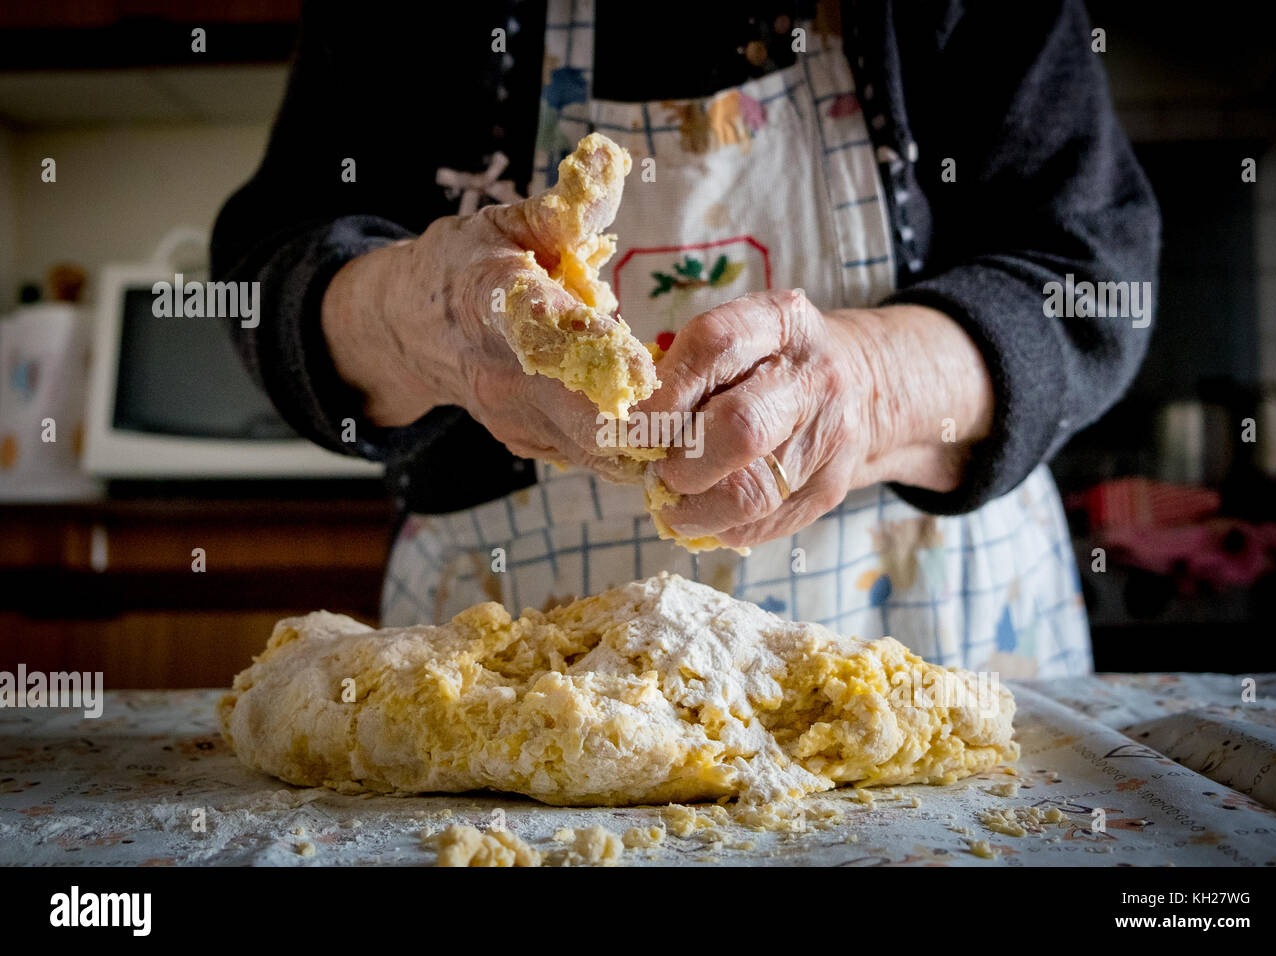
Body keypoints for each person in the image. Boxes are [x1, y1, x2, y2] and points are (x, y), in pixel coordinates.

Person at [211, 0, 1159, 677]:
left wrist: (869, 382)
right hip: (510, 673)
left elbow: (1091, 276)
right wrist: (422, 320)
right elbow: (267, 271)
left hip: (922, 629)